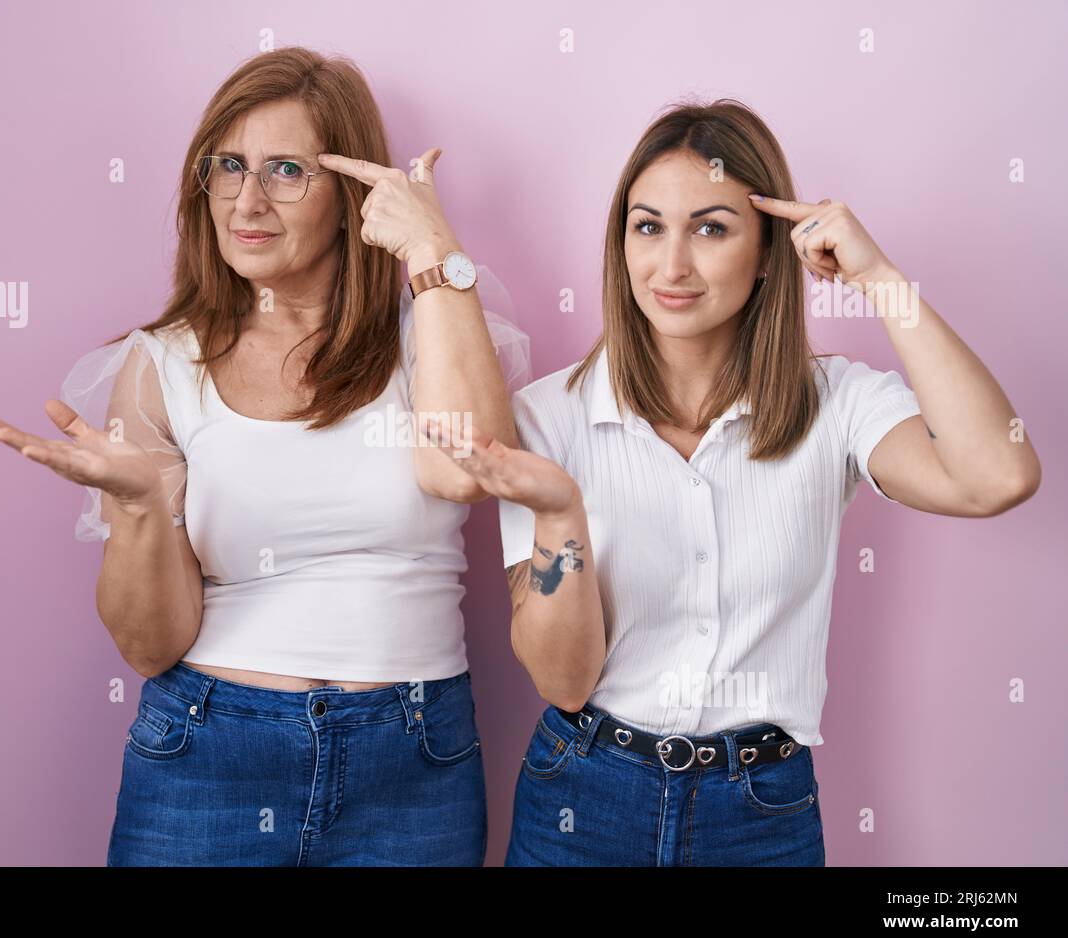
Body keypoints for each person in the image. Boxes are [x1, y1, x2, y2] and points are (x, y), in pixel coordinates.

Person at [423, 99, 1041, 866]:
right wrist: (559, 513)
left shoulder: (837, 402)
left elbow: (997, 475)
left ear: (769, 253)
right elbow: (565, 680)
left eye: (711, 228)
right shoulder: (546, 417)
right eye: (648, 227)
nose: (672, 265)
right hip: (583, 796)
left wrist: (878, 279)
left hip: (763, 813)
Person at [0, 47, 529, 866]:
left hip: (412, 762)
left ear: (351, 197)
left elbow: (468, 468)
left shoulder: (428, 328)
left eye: (285, 171)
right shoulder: (162, 362)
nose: (247, 200)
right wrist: (140, 511)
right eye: (228, 166)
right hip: (208, 754)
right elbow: (148, 645)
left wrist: (431, 253)